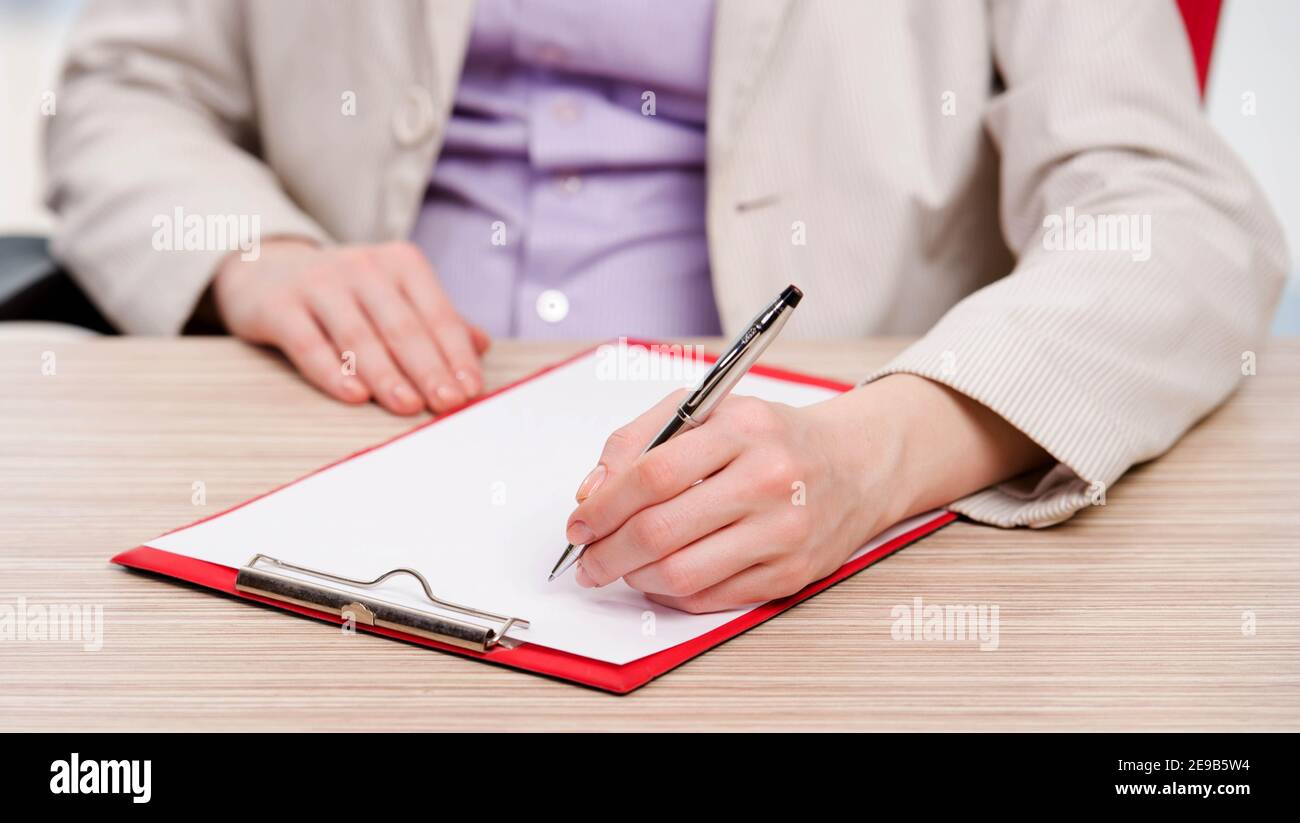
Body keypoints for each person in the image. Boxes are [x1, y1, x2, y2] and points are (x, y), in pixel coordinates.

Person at [45, 0, 1287, 612]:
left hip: (806, 512)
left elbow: (1176, 215)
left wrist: (879, 452)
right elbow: (126, 89)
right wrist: (254, 250)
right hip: (310, 431)